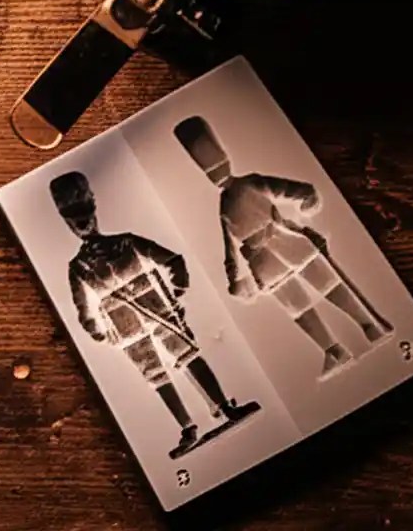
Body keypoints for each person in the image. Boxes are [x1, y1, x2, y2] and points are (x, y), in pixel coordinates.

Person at [51, 170, 258, 458]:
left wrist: (175, 294)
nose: (82, 223)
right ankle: (189, 427)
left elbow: (174, 261)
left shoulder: (125, 243)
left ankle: (223, 407)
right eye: (75, 216)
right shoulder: (79, 268)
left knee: (188, 356)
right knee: (157, 374)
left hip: (159, 313)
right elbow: (84, 311)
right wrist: (102, 332)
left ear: (94, 207)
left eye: (83, 211)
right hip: (127, 329)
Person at [173, 116, 393, 378]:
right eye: (209, 169)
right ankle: (335, 350)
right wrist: (234, 276)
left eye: (213, 165)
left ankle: (368, 326)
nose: (214, 173)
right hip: (267, 262)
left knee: (328, 287)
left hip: (284, 244)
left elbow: (292, 190)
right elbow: (229, 247)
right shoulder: (225, 205)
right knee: (298, 307)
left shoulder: (249, 184)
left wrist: (306, 198)